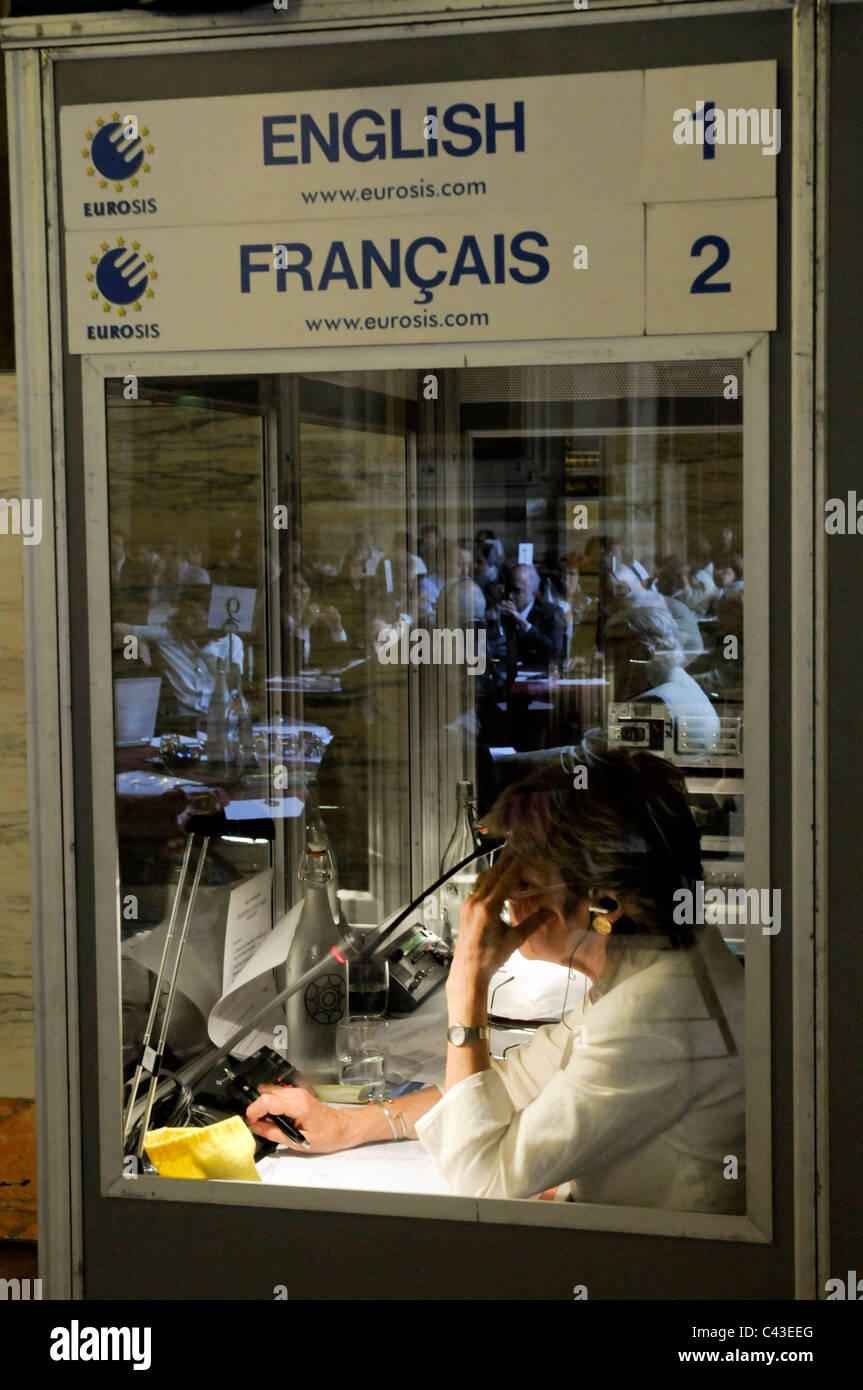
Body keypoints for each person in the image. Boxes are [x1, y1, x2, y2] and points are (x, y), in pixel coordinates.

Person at [246, 744, 745, 1211]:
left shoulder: (653, 1013)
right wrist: (348, 1124)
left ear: (604, 903)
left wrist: (468, 986)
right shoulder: (657, 965)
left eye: (524, 882)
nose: (503, 900)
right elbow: (511, 1084)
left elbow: (483, 1181)